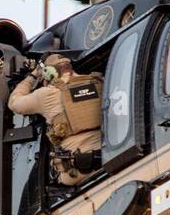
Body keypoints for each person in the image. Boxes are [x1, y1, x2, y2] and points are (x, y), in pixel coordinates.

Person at [8, 53, 103, 188]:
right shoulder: (99, 82)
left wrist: (33, 76)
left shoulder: (47, 94)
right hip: (110, 156)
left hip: (80, 170)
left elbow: (14, 103)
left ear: (48, 72)